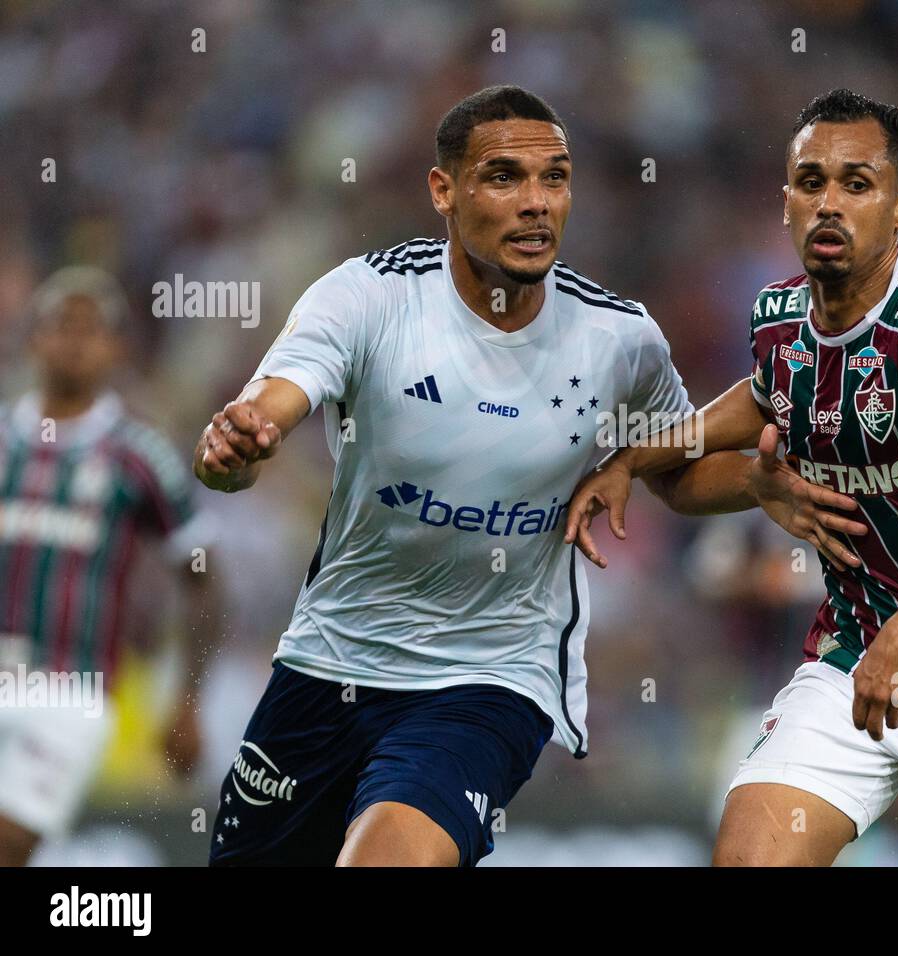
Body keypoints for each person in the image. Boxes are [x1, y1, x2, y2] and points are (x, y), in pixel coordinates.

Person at [568, 89, 898, 866]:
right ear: (786, 203)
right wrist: (631, 458)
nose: (829, 203)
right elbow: (757, 401)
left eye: (856, 183)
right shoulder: (776, 316)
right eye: (811, 183)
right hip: (853, 657)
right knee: (749, 856)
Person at [196, 85, 691, 867]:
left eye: (555, 179)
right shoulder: (370, 295)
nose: (537, 204)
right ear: (444, 192)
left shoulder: (619, 340)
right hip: (332, 661)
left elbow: (686, 469)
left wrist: (756, 482)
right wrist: (244, 437)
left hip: (492, 675)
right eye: (504, 177)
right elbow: (271, 404)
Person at [0, 266, 211, 866]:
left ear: (116, 348)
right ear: (32, 338)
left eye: (91, 329)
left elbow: (201, 577)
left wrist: (187, 699)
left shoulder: (138, 454)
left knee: (11, 840)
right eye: (60, 325)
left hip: (73, 687)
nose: (74, 340)